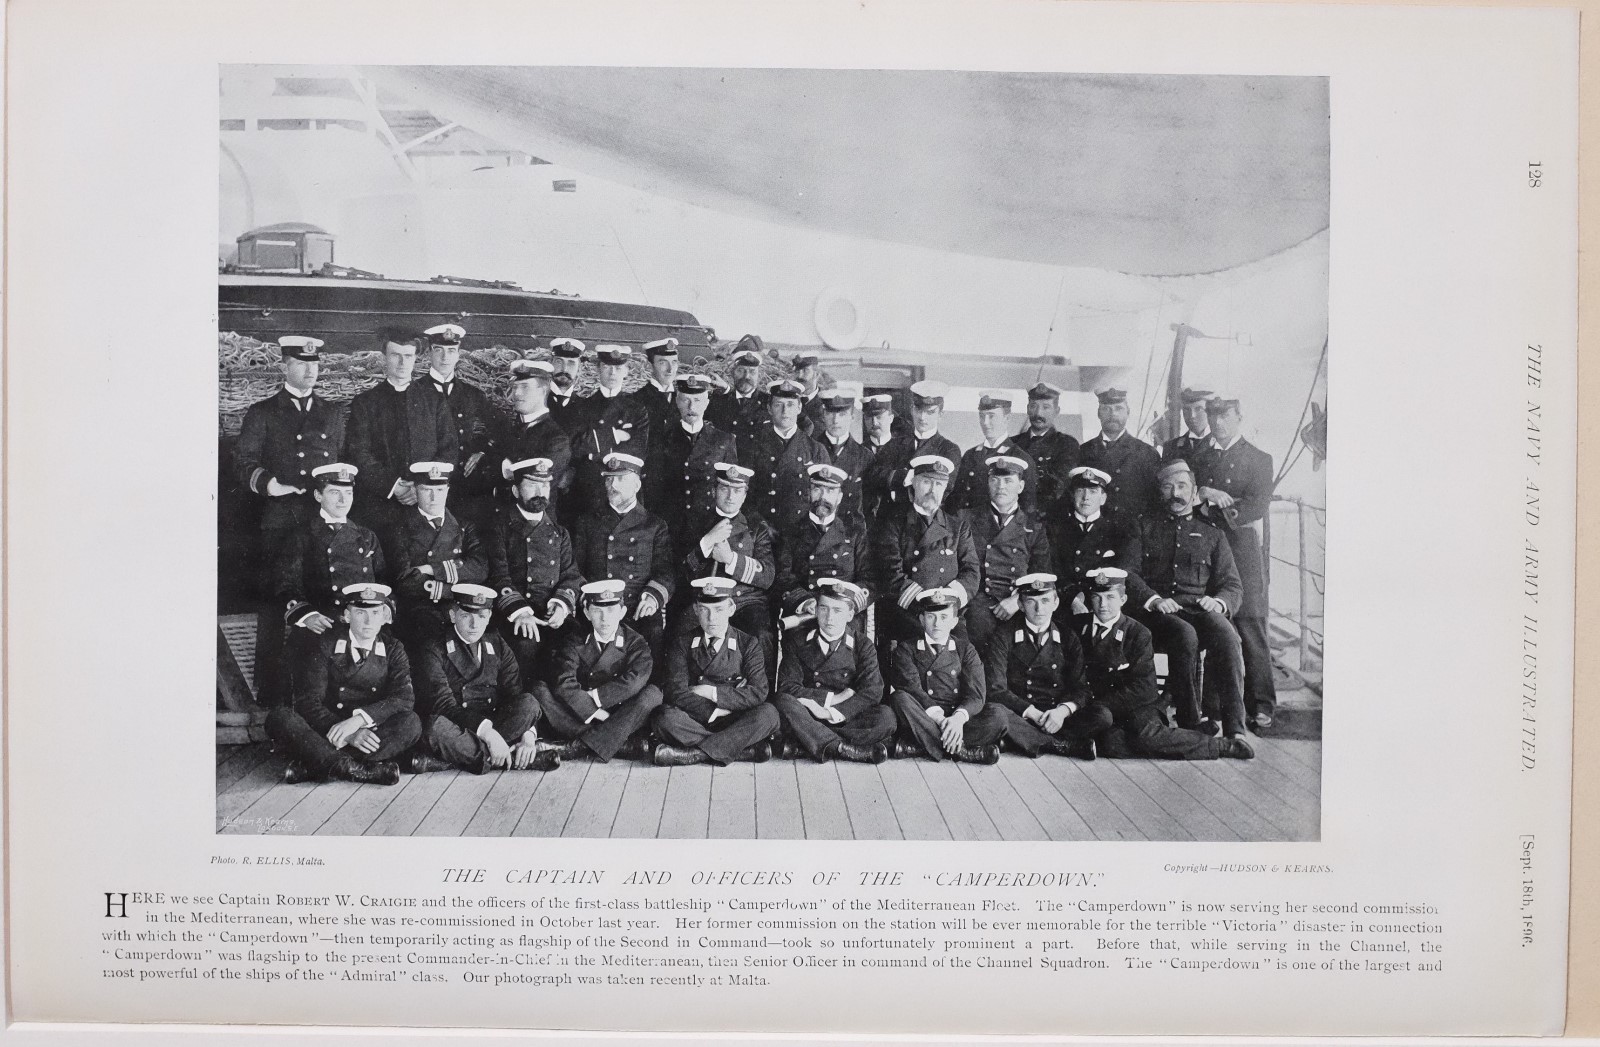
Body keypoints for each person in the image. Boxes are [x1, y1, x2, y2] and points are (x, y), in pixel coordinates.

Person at [1073, 569, 1253, 760]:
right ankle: (1188, 738)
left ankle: (1222, 746)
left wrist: (1100, 704)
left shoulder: (1137, 633)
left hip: (1134, 705)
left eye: (1110, 597)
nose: (1103, 605)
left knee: (1145, 736)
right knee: (1111, 742)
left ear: (1123, 600)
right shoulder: (1076, 627)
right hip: (1096, 712)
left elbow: (1145, 688)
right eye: (1097, 597)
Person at [1128, 459, 1247, 740]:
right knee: (1184, 634)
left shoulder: (1213, 533)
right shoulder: (1144, 528)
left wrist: (1218, 602)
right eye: (1168, 487)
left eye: (1182, 486)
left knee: (1227, 634)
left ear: (1195, 493)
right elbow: (1128, 573)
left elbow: (1232, 585)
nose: (1175, 493)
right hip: (1156, 614)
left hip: (1198, 609)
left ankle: (1235, 729)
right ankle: (1190, 722)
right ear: (1160, 493)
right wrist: (1154, 599)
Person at [267, 582, 422, 786]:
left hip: (367, 728)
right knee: (279, 718)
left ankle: (319, 764)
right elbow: (309, 701)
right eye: (360, 613)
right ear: (347, 616)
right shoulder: (325, 643)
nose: (368, 621)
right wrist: (349, 735)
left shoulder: (393, 649)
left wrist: (357, 722)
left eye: (375, 613)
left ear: (384, 617)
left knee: (411, 723)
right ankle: (358, 770)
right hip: (328, 728)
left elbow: (403, 698)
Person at [1192, 396, 1279, 730]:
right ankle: (1214, 706)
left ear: (1239, 417)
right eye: (1213, 416)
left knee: (1250, 622)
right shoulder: (1199, 458)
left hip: (1242, 550)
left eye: (1225, 416)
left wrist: (1213, 510)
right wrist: (1204, 493)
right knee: (1216, 622)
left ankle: (1261, 703)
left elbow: (1257, 505)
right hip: (1208, 550)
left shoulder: (1259, 459)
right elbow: (1187, 493)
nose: (1218, 423)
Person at [406, 583, 556, 774]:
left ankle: (470, 758)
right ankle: (507, 757)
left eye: (481, 616)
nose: (474, 624)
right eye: (466, 615)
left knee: (529, 703)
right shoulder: (434, 648)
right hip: (460, 725)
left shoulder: (496, 642)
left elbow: (514, 693)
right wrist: (488, 734)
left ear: (489, 617)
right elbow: (444, 706)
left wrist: (528, 737)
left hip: (495, 723)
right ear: (453, 615)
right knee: (434, 727)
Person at [232, 334, 345, 575]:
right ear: (285, 366)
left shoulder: (332, 413)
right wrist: (271, 485)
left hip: (323, 515)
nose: (310, 370)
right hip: (282, 515)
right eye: (302, 363)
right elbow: (242, 461)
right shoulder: (262, 412)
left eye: (314, 364)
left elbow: (343, 462)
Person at [652, 577, 779, 766]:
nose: (712, 619)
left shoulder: (748, 644)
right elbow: (675, 690)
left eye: (719, 610)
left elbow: (758, 691)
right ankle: (740, 749)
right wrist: (715, 711)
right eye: (704, 610)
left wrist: (711, 692)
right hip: (698, 716)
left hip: (735, 717)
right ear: (695, 610)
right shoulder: (682, 643)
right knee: (664, 717)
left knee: (769, 714)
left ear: (731, 609)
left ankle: (694, 754)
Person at [343, 325, 460, 529]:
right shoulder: (366, 402)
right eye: (395, 355)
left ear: (415, 358)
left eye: (408, 355)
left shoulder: (434, 400)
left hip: (425, 504)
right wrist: (393, 485)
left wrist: (422, 487)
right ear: (384, 358)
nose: (402, 362)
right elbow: (359, 452)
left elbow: (448, 449)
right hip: (379, 504)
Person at [982, 574, 1110, 759]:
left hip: (1057, 716)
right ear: (1020, 605)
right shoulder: (1004, 635)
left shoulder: (1067, 636)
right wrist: (1032, 713)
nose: (1039, 608)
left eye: (1045, 600)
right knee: (996, 714)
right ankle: (1058, 745)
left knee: (1102, 716)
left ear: (1056, 603)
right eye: (1031, 601)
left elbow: (1081, 688)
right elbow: (996, 688)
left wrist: (1061, 712)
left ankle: (1019, 740)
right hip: (1021, 713)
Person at [536, 579, 664, 764]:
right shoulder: (575, 640)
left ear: (622, 612)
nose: (605, 619)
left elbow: (635, 680)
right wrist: (593, 711)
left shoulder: (636, 642)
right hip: (584, 714)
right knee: (539, 690)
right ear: (587, 613)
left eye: (611, 611)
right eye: (597, 611)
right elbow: (564, 681)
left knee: (652, 695)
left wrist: (596, 698)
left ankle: (578, 747)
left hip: (619, 711)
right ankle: (620, 744)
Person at [484, 456, 584, 682]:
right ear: (516, 490)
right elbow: (499, 577)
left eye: (545, 485)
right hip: (514, 613)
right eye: (531, 485)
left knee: (575, 641)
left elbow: (570, 576)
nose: (540, 492)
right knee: (526, 644)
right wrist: (522, 613)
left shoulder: (560, 533)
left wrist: (560, 606)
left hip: (550, 614)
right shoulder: (500, 529)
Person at [772, 578, 892, 763]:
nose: (829, 618)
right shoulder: (797, 641)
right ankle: (843, 748)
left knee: (886, 717)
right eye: (824, 608)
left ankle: (809, 744)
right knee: (783, 702)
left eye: (837, 610)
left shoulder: (862, 645)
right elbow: (787, 686)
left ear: (850, 614)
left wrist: (829, 712)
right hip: (809, 713)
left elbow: (872, 690)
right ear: (816, 609)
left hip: (843, 716)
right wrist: (828, 700)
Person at [569, 452, 675, 660]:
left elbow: (665, 570)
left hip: (636, 604)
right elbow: (575, 568)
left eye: (620, 479)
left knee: (653, 631)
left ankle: (653, 688)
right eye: (609, 478)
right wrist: (586, 600)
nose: (612, 484)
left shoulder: (654, 525)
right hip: (598, 605)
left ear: (636, 485)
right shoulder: (588, 521)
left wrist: (652, 597)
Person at [272, 463, 387, 654]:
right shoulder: (301, 536)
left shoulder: (366, 536)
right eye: (335, 492)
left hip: (364, 626)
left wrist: (385, 610)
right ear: (318, 495)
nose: (343, 500)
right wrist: (307, 616)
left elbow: (385, 581)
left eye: (348, 493)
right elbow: (285, 585)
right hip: (321, 623)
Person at [871, 455, 980, 652]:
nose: (932, 490)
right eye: (926, 482)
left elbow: (971, 572)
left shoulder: (958, 527)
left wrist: (947, 606)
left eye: (939, 484)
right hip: (908, 614)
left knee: (965, 658)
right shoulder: (893, 524)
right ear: (913, 482)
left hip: (948, 616)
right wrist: (926, 607)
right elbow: (891, 574)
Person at [885, 587, 1004, 764]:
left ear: (954, 621)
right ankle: (960, 750)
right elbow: (913, 689)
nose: (937, 624)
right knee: (900, 698)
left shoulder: (965, 649)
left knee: (998, 715)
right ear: (922, 619)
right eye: (931, 617)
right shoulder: (907, 649)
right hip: (924, 715)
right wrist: (941, 720)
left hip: (957, 717)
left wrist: (957, 719)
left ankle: (923, 745)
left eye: (943, 617)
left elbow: (976, 694)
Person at [679, 463, 776, 669]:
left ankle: (763, 692)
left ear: (745, 495)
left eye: (737, 490)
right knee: (681, 629)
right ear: (714, 491)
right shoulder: (695, 522)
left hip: (744, 602)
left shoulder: (757, 527)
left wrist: (730, 559)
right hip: (706, 600)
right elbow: (681, 571)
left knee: (762, 634)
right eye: (724, 489)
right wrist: (706, 542)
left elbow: (767, 576)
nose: (730, 496)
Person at [383, 461, 488, 651]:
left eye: (439, 490)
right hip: (419, 607)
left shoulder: (464, 526)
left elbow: (480, 568)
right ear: (415, 490)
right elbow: (404, 581)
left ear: (447, 490)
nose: (433, 497)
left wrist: (431, 569)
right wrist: (452, 587)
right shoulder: (399, 528)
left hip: (461, 606)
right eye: (425, 490)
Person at [958, 455, 1052, 653]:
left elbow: (1041, 574)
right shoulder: (965, 519)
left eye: (1008, 481)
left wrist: (1018, 600)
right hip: (977, 607)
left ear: (1021, 486)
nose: (1001, 486)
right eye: (995, 480)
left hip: (1018, 607)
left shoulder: (1033, 527)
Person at [421, 323, 504, 528]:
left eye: (451, 351)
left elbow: (502, 427)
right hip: (428, 486)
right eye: (438, 350)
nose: (444, 357)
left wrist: (484, 451)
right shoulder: (415, 392)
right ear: (429, 353)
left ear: (459, 355)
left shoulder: (472, 394)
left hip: (464, 485)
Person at [643, 372, 738, 538]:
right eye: (685, 400)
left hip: (708, 528)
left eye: (697, 400)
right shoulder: (660, 439)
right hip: (668, 528)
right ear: (676, 401)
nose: (691, 407)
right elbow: (652, 489)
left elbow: (731, 489)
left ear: (707, 403)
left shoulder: (724, 440)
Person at [773, 463, 871, 623]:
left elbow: (869, 579)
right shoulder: (791, 532)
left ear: (839, 497)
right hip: (805, 613)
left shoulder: (854, 532)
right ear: (809, 493)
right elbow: (783, 577)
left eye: (830, 490)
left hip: (844, 613)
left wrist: (847, 602)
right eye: (817, 489)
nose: (823, 497)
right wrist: (804, 601)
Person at [569, 344, 652, 517]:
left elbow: (638, 450)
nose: (612, 373)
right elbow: (576, 446)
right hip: (589, 490)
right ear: (598, 369)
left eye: (618, 367)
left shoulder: (637, 410)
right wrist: (615, 436)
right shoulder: (582, 406)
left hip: (625, 493)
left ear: (626, 370)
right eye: (607, 367)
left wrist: (594, 449)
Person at [861, 381, 962, 514]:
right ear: (912, 409)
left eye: (930, 412)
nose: (922, 417)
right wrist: (909, 477)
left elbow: (944, 491)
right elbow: (874, 476)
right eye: (918, 410)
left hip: (927, 522)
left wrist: (896, 490)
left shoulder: (948, 450)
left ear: (941, 414)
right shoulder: (894, 444)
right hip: (891, 522)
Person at [739, 379, 828, 529]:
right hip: (763, 533)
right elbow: (743, 495)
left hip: (802, 533)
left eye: (790, 404)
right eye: (778, 404)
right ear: (769, 408)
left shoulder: (816, 450)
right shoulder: (753, 447)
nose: (785, 411)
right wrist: (761, 526)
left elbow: (825, 498)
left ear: (799, 408)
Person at [1050, 466, 1139, 613]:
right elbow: (1053, 571)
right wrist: (1073, 598)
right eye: (1080, 491)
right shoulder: (1055, 528)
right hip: (1065, 605)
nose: (1086, 497)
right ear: (1072, 495)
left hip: (1105, 607)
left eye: (1093, 491)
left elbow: (1127, 571)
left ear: (1103, 498)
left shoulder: (1119, 531)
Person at [497, 359, 573, 520]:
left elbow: (529, 484)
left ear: (543, 390)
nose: (516, 394)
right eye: (515, 387)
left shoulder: (556, 438)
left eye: (525, 387)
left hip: (537, 526)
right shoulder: (510, 431)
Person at [1078, 387, 1161, 522]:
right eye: (1106, 409)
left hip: (1133, 533)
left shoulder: (1147, 453)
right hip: (1095, 533)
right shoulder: (1083, 451)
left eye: (1118, 408)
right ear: (1098, 413)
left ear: (1128, 412)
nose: (1113, 414)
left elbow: (1155, 502)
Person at [949, 393, 1038, 513]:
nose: (985, 422)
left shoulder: (1020, 458)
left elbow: (1028, 507)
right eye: (982, 416)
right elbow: (956, 498)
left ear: (1006, 418)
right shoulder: (970, 455)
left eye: (991, 416)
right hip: (965, 526)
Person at [1011, 382, 1080, 517]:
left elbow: (1058, 488)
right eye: (1033, 406)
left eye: (1046, 407)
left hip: (1050, 522)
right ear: (1027, 409)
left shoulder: (1067, 444)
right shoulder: (1013, 443)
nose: (1038, 413)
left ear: (1057, 411)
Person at [813, 393, 871, 517]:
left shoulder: (864, 456)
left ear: (852, 417)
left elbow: (869, 507)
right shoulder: (810, 450)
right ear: (823, 416)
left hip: (850, 532)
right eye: (830, 413)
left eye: (842, 414)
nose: (835, 420)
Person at [706, 338, 769, 449]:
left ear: (759, 375)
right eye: (741, 370)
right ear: (732, 373)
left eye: (752, 371)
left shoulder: (769, 403)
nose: (746, 376)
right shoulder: (718, 402)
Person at [857, 393, 899, 517]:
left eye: (879, 416)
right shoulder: (857, 452)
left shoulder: (904, 451)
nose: (874, 422)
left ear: (891, 418)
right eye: (869, 417)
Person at [1161, 387, 1216, 465]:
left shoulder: (1223, 442)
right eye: (1186, 410)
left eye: (1198, 409)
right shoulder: (1171, 447)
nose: (1192, 415)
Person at [545, 338, 588, 435]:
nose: (564, 369)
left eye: (571, 363)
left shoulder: (586, 408)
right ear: (550, 364)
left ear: (579, 369)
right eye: (559, 362)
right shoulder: (536, 401)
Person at [791, 352, 828, 435]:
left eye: (805, 370)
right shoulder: (788, 401)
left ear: (817, 374)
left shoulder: (826, 403)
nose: (800, 376)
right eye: (797, 371)